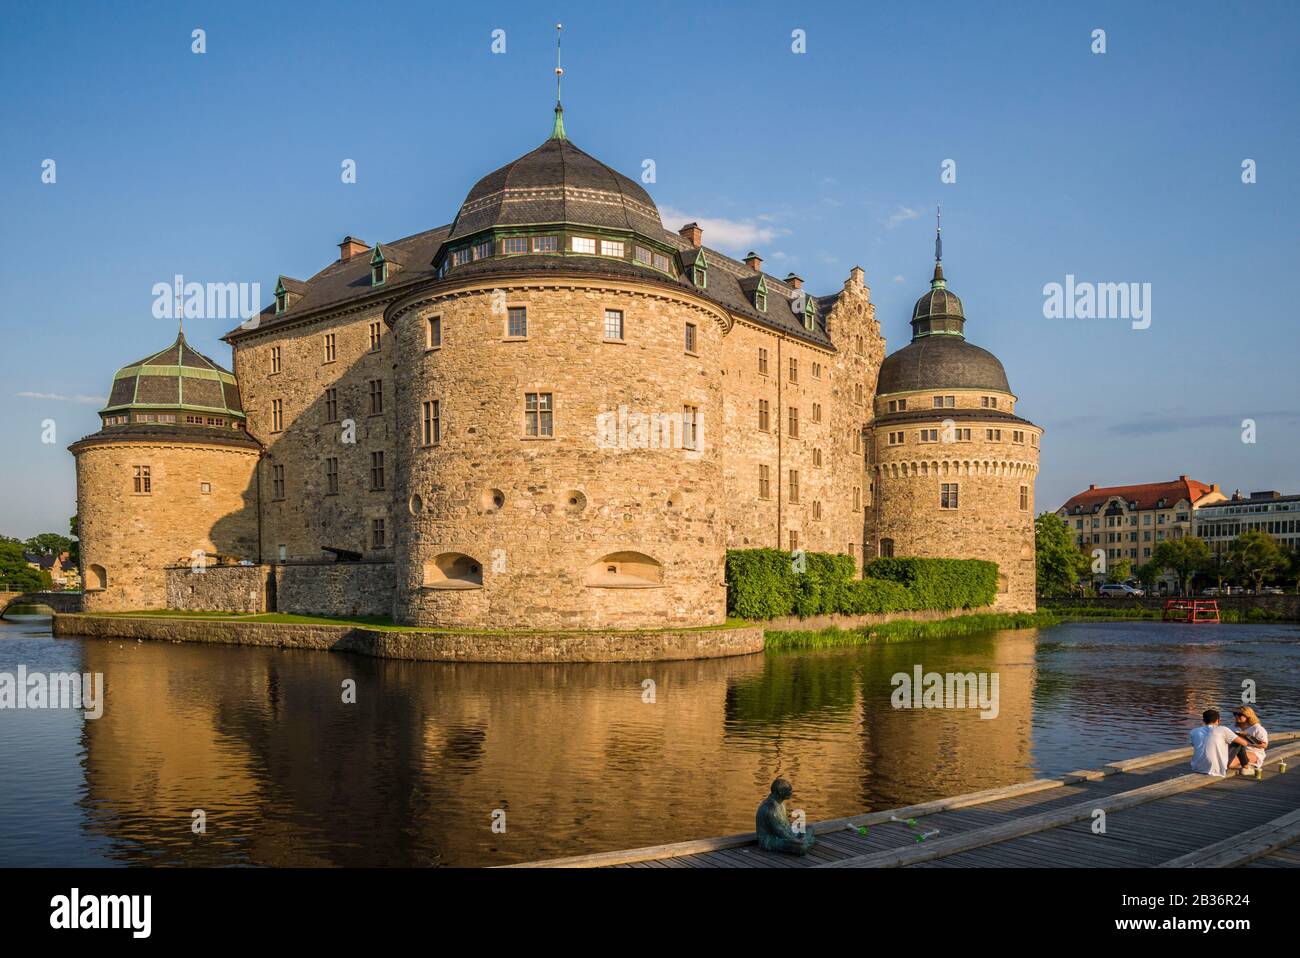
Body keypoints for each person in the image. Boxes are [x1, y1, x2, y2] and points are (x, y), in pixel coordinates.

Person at [755, 778, 816, 855]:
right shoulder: (770, 809)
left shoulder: (781, 803)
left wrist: (796, 835)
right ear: (780, 792)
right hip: (771, 840)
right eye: (789, 790)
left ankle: (806, 841)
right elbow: (780, 832)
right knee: (801, 847)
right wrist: (796, 840)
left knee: (810, 828)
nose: (791, 792)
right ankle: (807, 842)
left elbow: (785, 824)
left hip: (784, 832)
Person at [1190, 709, 1252, 777]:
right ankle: (1246, 767)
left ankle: (1243, 766)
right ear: (1218, 720)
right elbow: (1244, 743)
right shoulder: (1223, 729)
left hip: (1197, 768)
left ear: (1203, 720)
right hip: (1218, 770)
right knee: (1238, 743)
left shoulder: (1194, 731)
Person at [1228, 706, 1268, 774]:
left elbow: (1264, 745)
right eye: (1235, 714)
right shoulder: (1233, 727)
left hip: (1253, 752)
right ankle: (1243, 766)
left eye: (1240, 714)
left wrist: (1247, 740)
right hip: (1235, 750)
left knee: (1229, 763)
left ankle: (1248, 769)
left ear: (1248, 716)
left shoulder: (1257, 728)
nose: (1237, 716)